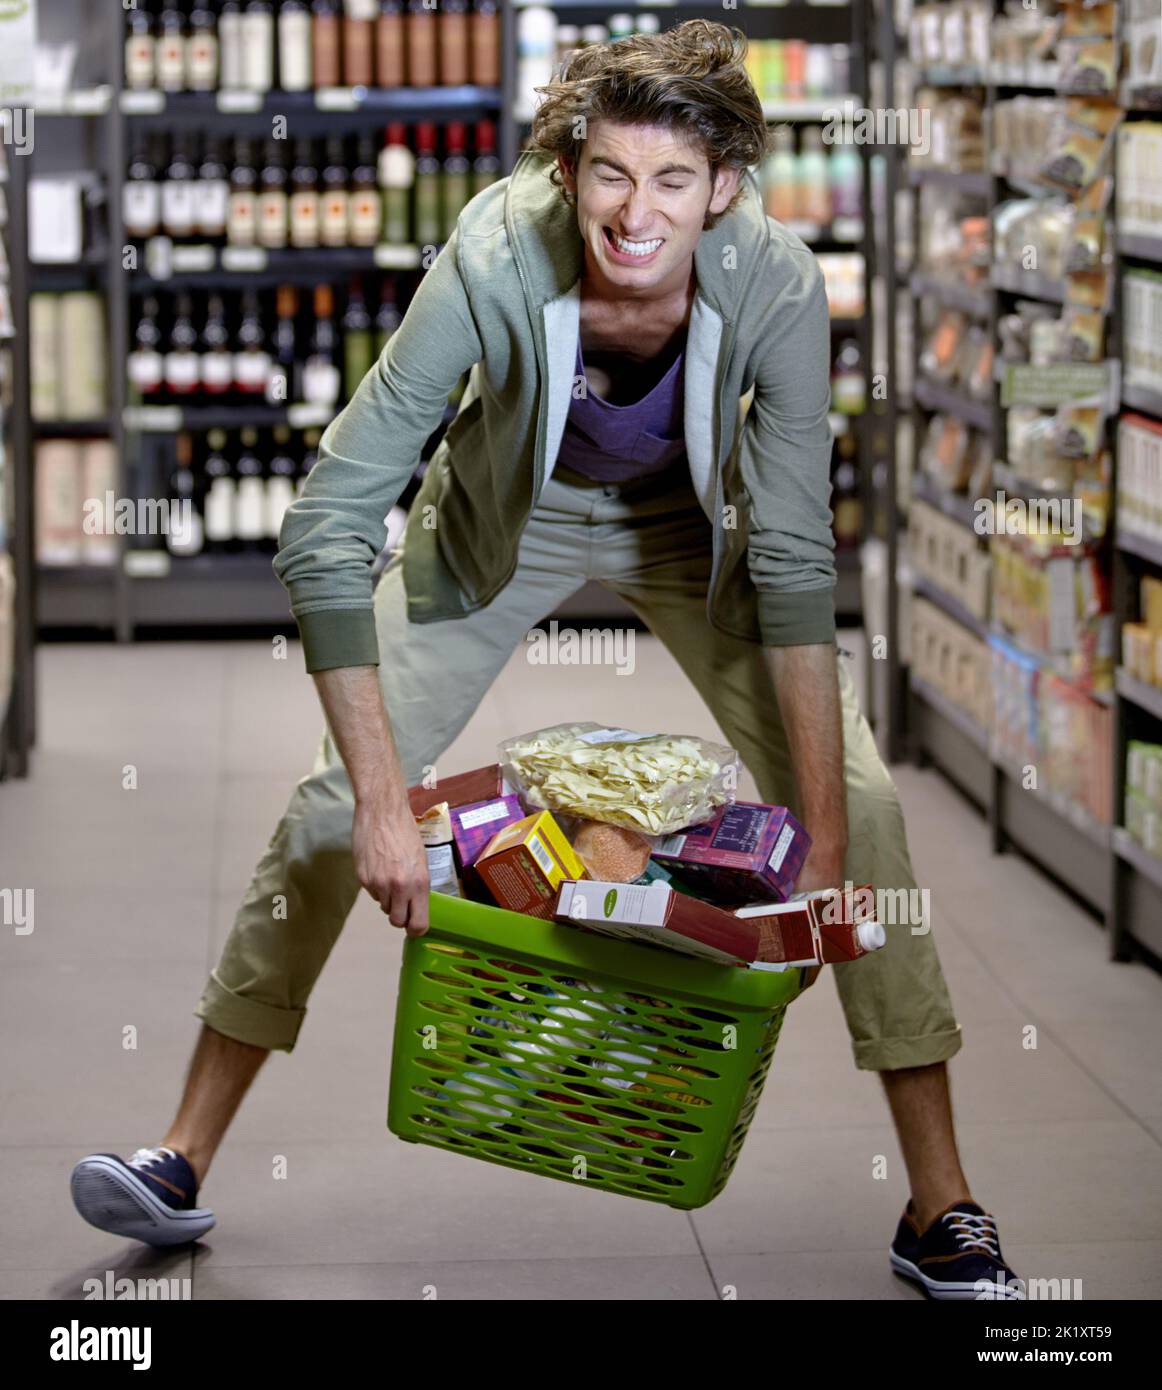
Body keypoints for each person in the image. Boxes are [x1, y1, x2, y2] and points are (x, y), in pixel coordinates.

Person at [71, 20, 1021, 1300]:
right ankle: (178, 1160)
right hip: (504, 520)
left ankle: (938, 1205)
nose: (638, 211)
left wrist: (828, 862)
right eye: (612, 174)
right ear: (570, 168)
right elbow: (325, 526)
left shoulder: (779, 286)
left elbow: (795, 561)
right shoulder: (492, 250)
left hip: (696, 524)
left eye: (673, 181)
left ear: (724, 187)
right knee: (315, 817)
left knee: (858, 804)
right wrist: (376, 805)